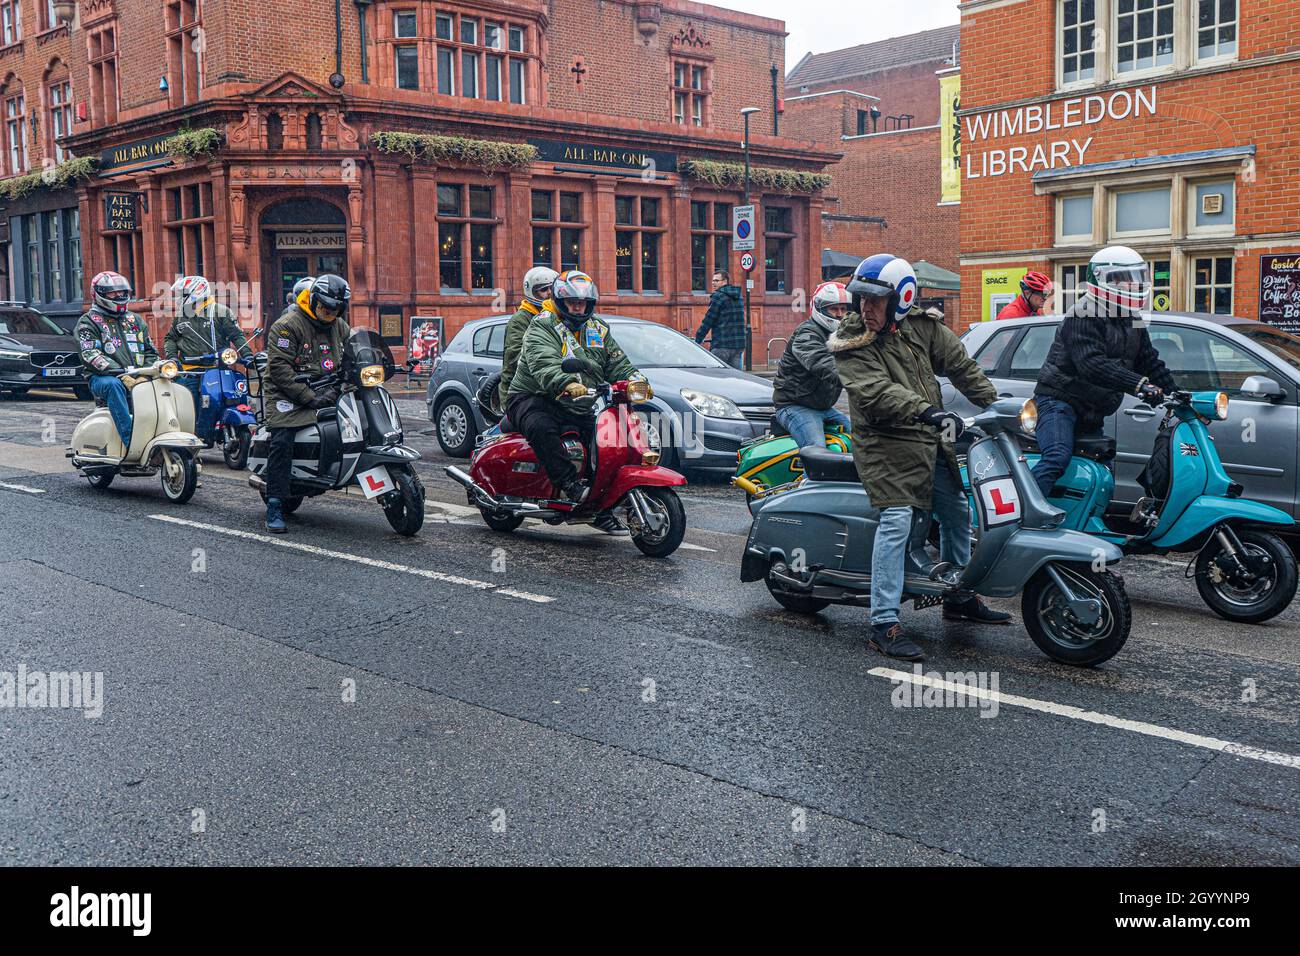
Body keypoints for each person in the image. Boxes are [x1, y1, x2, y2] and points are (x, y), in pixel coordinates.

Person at [831, 254, 1010, 663]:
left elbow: (961, 366)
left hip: (929, 437)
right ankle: (884, 623)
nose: (866, 309)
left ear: (903, 299)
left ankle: (959, 595)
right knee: (896, 521)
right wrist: (928, 411)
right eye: (861, 299)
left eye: (876, 301)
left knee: (957, 510)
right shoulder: (852, 339)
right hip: (885, 443)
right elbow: (874, 391)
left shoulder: (922, 328)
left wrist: (998, 406)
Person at [506, 270, 648, 535]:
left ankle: (601, 505)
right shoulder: (542, 324)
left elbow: (617, 361)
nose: (577, 306)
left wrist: (636, 381)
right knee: (541, 426)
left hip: (579, 400)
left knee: (606, 438)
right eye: (572, 301)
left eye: (582, 302)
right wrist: (565, 382)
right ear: (561, 300)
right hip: (533, 395)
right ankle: (569, 484)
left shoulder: (597, 328)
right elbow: (542, 362)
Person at [1031, 246, 1177, 499]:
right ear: (1101, 279)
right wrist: (1140, 385)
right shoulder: (1082, 314)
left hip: (1094, 407)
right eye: (1124, 280)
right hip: (1060, 401)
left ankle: (1081, 524)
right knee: (1057, 457)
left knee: (1101, 469)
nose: (1133, 286)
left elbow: (1149, 361)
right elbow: (1092, 365)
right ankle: (1021, 514)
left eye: (1137, 278)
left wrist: (1179, 394)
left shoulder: (1132, 317)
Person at [261, 274, 352, 533]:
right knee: (282, 439)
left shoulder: (339, 324)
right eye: (324, 307)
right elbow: (279, 369)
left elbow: (354, 352)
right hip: (288, 395)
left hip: (329, 389)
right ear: (313, 300)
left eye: (335, 309)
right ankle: (276, 503)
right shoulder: (288, 325)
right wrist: (310, 398)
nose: (328, 314)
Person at [75, 272, 159, 455]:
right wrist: (119, 373)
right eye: (113, 293)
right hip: (102, 378)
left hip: (139, 376)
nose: (119, 296)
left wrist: (147, 372)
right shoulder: (88, 322)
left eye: (122, 292)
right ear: (99, 294)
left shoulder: (135, 320)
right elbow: (90, 354)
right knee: (113, 386)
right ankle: (132, 443)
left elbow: (151, 351)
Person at [772, 281, 852, 448]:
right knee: (816, 450)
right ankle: (809, 475)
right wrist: (856, 378)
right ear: (820, 308)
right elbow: (823, 364)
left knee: (859, 437)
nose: (839, 315)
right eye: (834, 309)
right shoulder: (807, 334)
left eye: (843, 309)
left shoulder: (841, 335)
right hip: (794, 405)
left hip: (823, 407)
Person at [164, 275, 252, 417]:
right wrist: (172, 358)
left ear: (197, 291)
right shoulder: (181, 315)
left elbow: (237, 335)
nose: (179, 297)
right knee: (187, 410)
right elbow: (170, 339)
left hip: (217, 369)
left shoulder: (221, 311)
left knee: (225, 401)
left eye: (183, 294)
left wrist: (248, 356)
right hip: (189, 371)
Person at [498, 266, 558, 408]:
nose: (549, 293)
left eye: (552, 288)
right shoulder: (521, 319)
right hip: (521, 392)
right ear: (532, 292)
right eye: (544, 290)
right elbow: (515, 357)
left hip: (549, 389)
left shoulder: (558, 316)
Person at [694, 270, 746, 369]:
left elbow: (708, 320)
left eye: (717, 281)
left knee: (716, 377)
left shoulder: (718, 296)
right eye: (713, 281)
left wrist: (697, 340)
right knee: (736, 378)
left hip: (722, 344)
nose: (713, 283)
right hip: (738, 345)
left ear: (725, 281)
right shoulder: (738, 296)